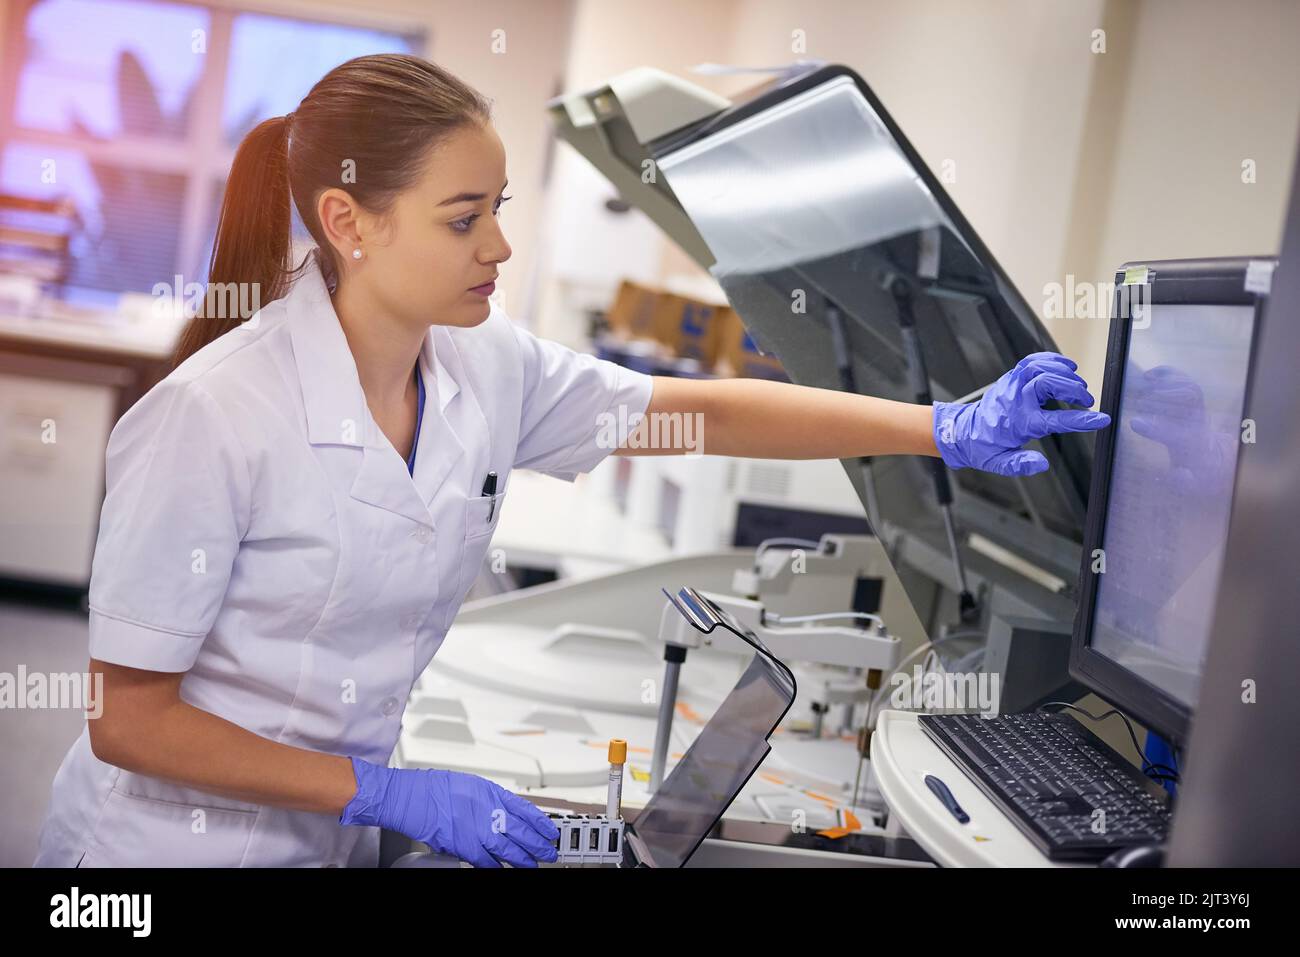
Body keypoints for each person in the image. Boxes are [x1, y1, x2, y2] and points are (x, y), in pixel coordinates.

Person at [34, 54, 1109, 868]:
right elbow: (130, 719)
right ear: (347, 223)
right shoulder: (212, 416)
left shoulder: (482, 367)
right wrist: (377, 790)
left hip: (323, 841)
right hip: (158, 854)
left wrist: (939, 426)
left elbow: (704, 417)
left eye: (496, 211)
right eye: (464, 221)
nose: (499, 247)